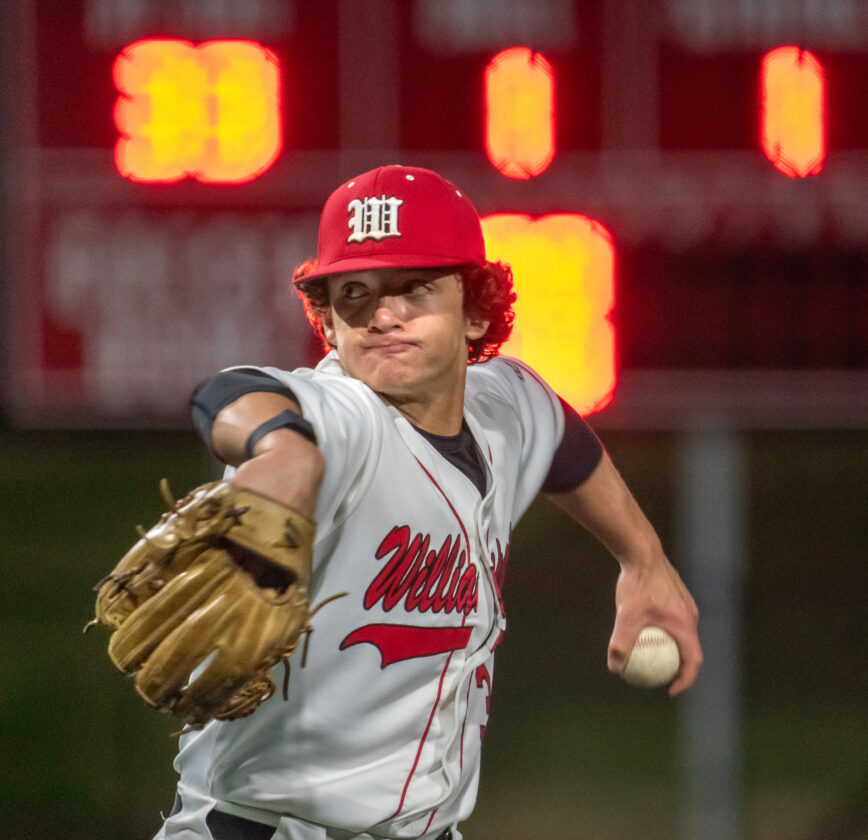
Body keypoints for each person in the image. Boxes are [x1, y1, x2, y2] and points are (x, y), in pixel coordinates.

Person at [157, 164, 701, 840]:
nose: (382, 315)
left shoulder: (503, 408)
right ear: (326, 320)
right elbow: (230, 392)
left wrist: (644, 562)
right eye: (353, 293)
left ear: (476, 311)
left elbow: (563, 438)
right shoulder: (343, 420)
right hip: (266, 828)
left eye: (414, 289)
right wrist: (281, 448)